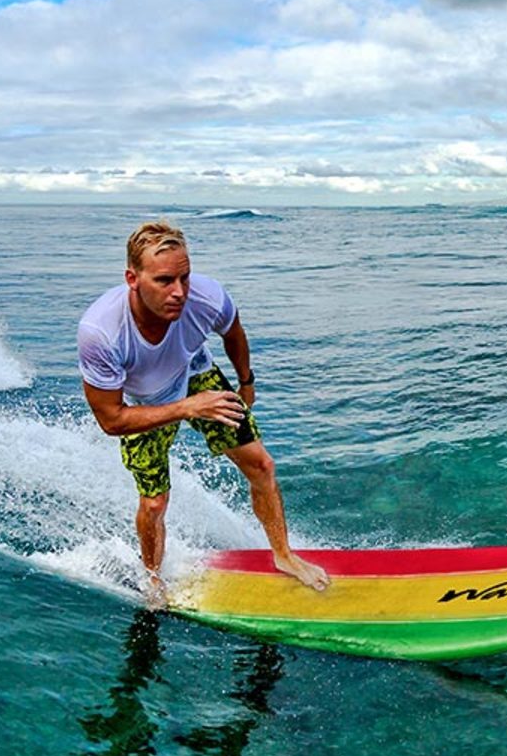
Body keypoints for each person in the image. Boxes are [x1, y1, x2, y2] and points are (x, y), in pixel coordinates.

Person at [77, 220, 329, 607]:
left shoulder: (207, 298)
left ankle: (284, 556)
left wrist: (246, 382)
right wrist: (187, 407)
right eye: (164, 281)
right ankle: (154, 581)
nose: (178, 292)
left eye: (185, 277)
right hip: (147, 402)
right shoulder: (102, 332)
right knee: (155, 502)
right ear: (133, 278)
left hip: (198, 376)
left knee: (261, 465)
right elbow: (111, 420)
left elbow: (233, 331)